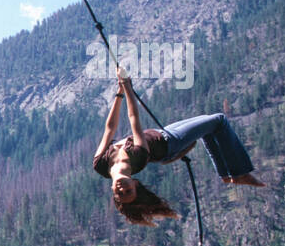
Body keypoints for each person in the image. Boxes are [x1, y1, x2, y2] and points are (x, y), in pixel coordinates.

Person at [92, 74, 264, 227]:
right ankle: (238, 172)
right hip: (171, 143)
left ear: (113, 192)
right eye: (128, 192)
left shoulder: (100, 164)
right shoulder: (139, 159)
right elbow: (134, 118)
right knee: (218, 120)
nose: (122, 188)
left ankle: (227, 175)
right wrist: (128, 86)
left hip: (162, 133)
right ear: (135, 185)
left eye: (119, 193)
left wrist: (120, 92)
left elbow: (110, 128)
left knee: (211, 127)